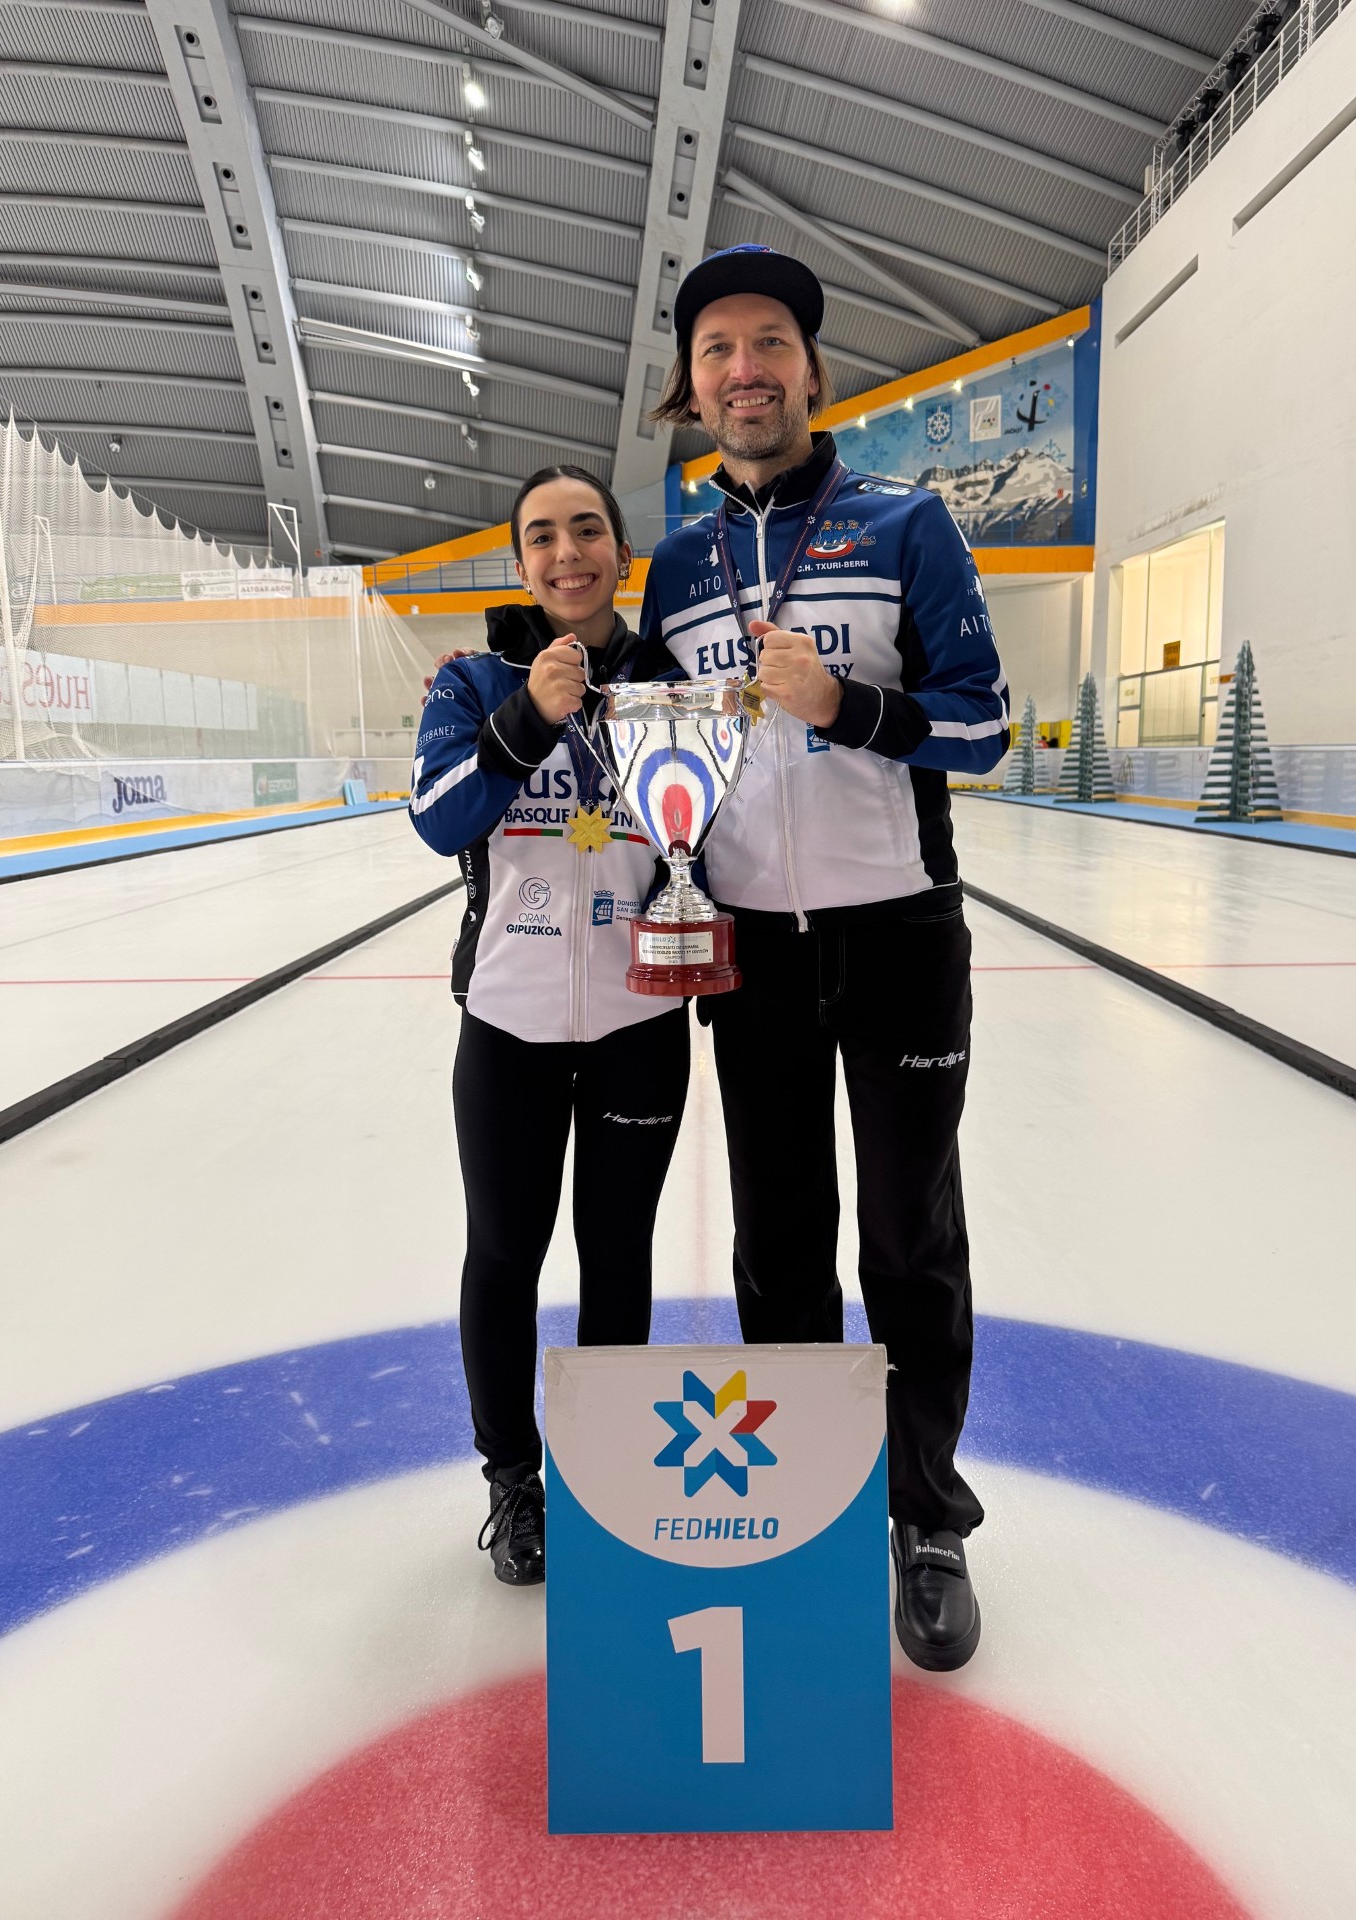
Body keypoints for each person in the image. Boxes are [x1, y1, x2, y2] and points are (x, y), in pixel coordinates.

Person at [639, 246, 1010, 1672]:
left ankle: (928, 1520)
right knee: (779, 1242)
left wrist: (847, 705)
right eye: (720, 348)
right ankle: (798, 1504)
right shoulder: (673, 570)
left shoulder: (906, 524)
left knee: (911, 1236)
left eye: (771, 342)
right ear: (693, 386)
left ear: (813, 369)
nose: (747, 369)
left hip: (901, 930)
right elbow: (645, 739)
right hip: (754, 956)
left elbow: (981, 724)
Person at [409, 467, 690, 1586]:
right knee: (505, 1256)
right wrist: (531, 716)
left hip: (640, 1017)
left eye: (587, 531)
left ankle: (607, 1468)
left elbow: (721, 824)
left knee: (618, 1253)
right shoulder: (472, 680)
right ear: (520, 560)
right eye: (542, 536)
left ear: (620, 554)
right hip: (510, 1024)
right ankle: (514, 1480)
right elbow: (437, 819)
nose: (567, 552)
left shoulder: (670, 686)